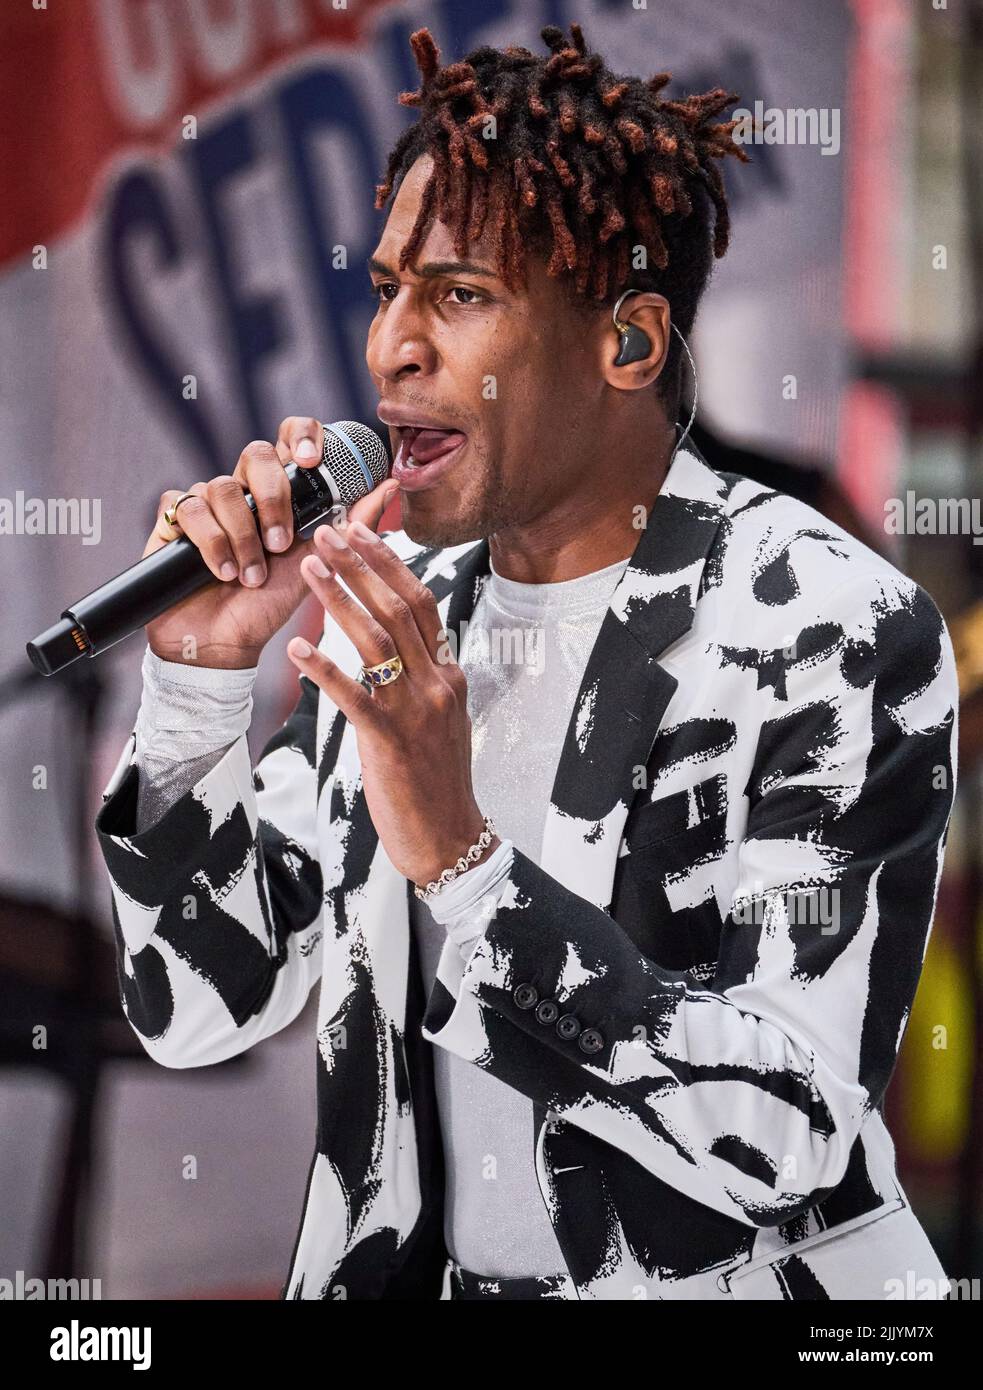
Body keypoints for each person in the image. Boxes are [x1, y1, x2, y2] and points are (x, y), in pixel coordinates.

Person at [95, 24, 958, 1301]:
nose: (390, 345)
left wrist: (461, 858)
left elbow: (782, 1134)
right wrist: (195, 689)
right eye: (387, 288)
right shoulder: (387, 611)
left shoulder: (825, 628)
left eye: (459, 295)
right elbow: (199, 1009)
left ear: (627, 344)